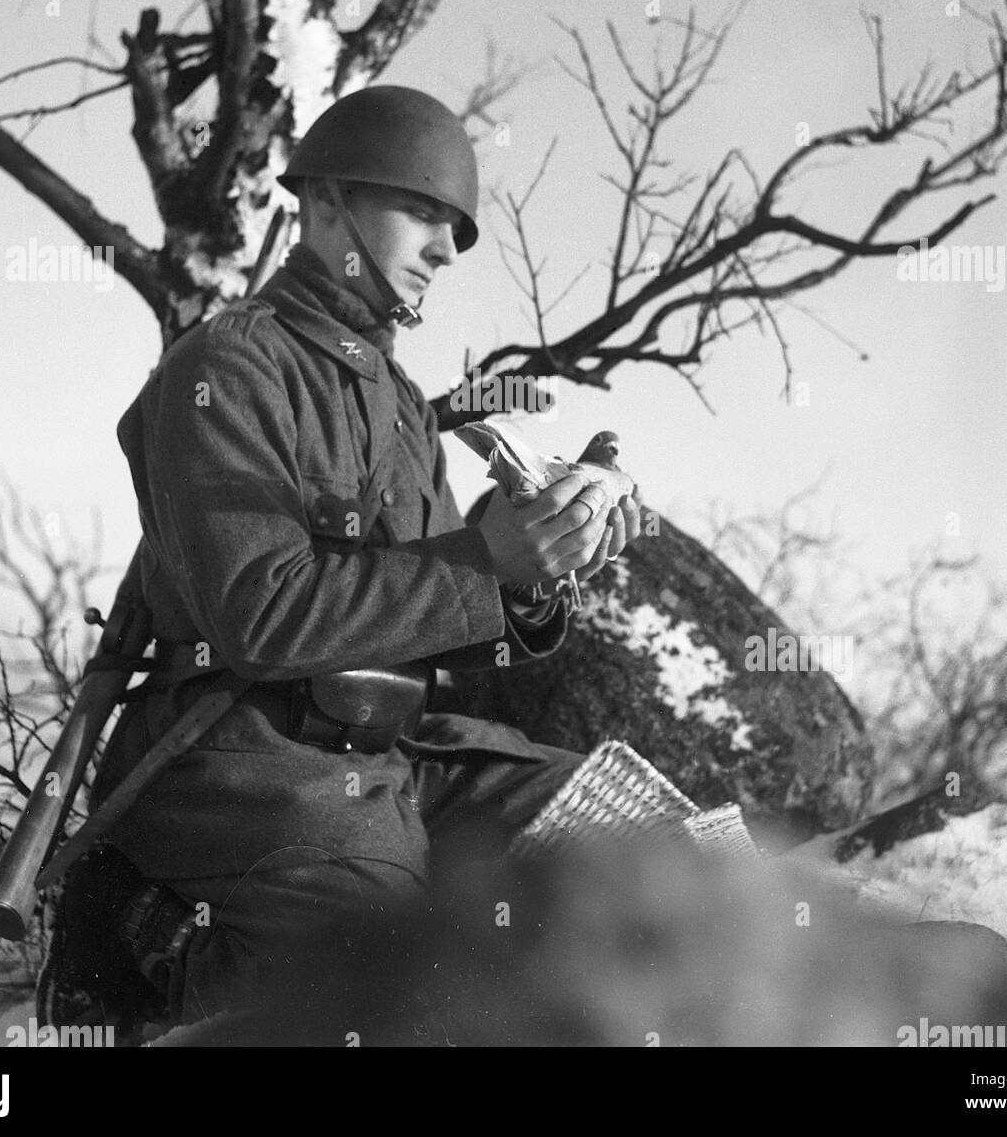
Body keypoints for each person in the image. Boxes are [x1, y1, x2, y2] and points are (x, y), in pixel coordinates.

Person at [83, 85, 644, 1030]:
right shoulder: (226, 370)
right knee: (388, 1000)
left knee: (641, 852)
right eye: (423, 213)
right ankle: (176, 964)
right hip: (246, 762)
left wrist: (539, 561)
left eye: (455, 231)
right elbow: (263, 616)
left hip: (392, 760)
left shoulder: (402, 405)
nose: (441, 249)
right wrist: (481, 560)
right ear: (328, 202)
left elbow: (428, 618)